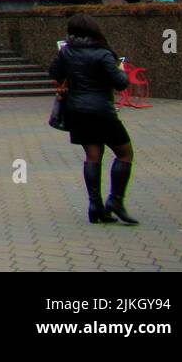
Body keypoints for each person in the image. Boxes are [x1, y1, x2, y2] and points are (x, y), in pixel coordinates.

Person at [48, 14, 136, 225]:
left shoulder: (66, 52)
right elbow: (120, 83)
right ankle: (115, 200)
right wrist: (121, 70)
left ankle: (95, 205)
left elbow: (54, 72)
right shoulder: (103, 53)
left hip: (76, 110)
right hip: (102, 111)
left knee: (92, 156)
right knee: (125, 153)